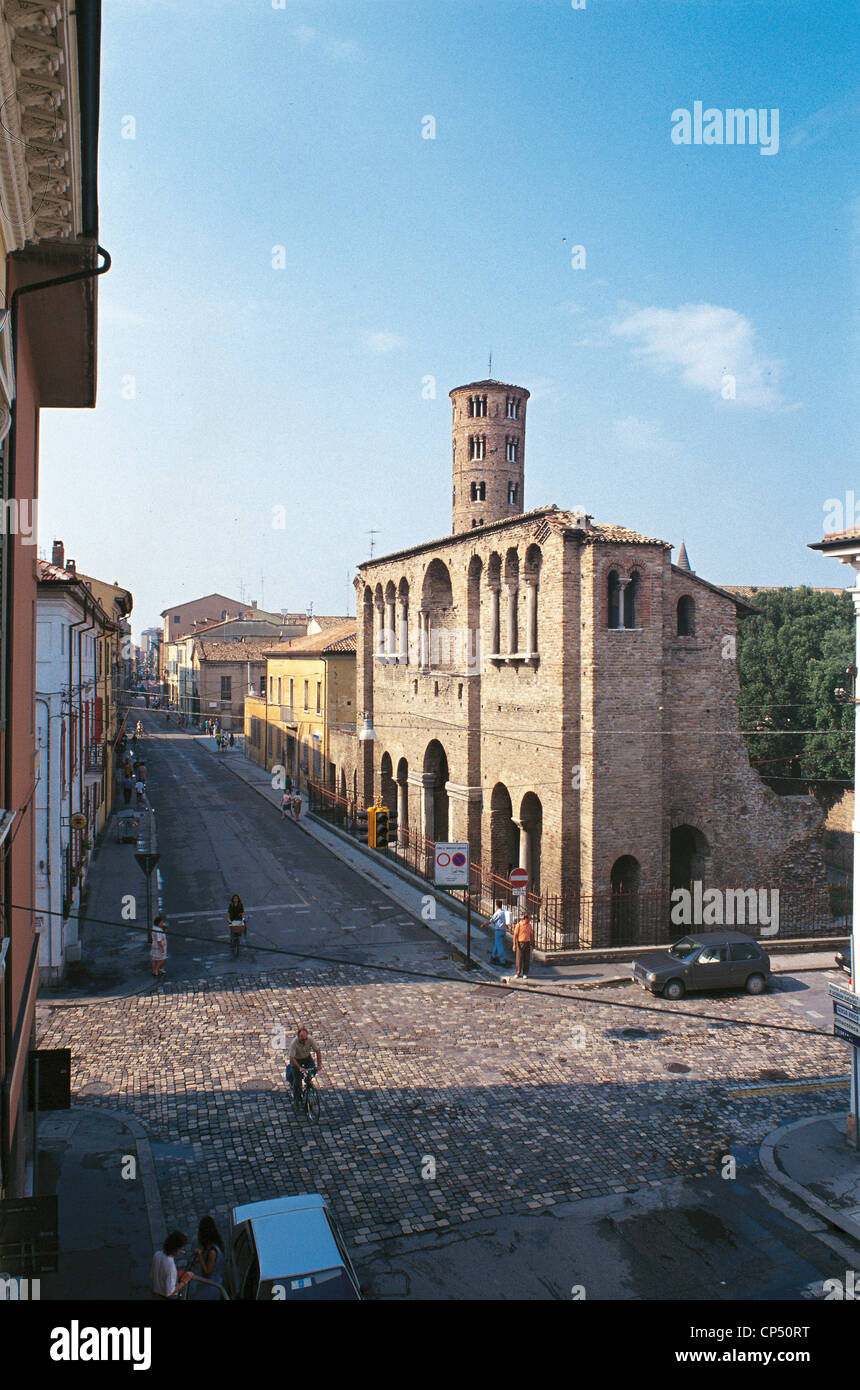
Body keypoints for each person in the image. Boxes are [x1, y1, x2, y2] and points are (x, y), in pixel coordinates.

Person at [190, 1216, 226, 1301]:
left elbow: (208, 1271)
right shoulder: (215, 1245)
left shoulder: (212, 1252)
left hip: (211, 1285)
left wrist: (200, 1256)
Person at [151, 1231, 194, 1298]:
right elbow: (169, 1293)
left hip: (157, 1291)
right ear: (176, 1249)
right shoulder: (171, 1267)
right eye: (181, 1249)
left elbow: (153, 1275)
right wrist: (184, 1282)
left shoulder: (157, 1254)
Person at [287, 1026, 322, 1106]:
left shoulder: (310, 1039)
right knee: (297, 1082)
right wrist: (299, 1068)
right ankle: (296, 1099)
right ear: (298, 1037)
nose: (305, 1041)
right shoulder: (294, 1043)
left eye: (306, 1039)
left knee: (312, 1071)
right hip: (296, 1060)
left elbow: (317, 1051)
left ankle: (308, 1082)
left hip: (307, 1058)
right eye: (303, 1039)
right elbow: (292, 1058)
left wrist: (319, 1064)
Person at [487, 898, 512, 966]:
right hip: (503, 930)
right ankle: (493, 956)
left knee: (499, 946)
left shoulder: (498, 913)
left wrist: (484, 924)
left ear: (496, 905)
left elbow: (491, 920)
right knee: (497, 944)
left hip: (498, 931)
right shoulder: (504, 911)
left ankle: (502, 960)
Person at [513, 912, 534, 980]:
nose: (530, 920)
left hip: (527, 943)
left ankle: (525, 973)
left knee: (526, 959)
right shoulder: (519, 925)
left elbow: (531, 935)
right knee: (519, 959)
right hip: (520, 943)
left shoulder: (529, 926)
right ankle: (518, 972)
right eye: (529, 919)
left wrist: (532, 945)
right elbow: (515, 935)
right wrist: (514, 945)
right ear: (526, 918)